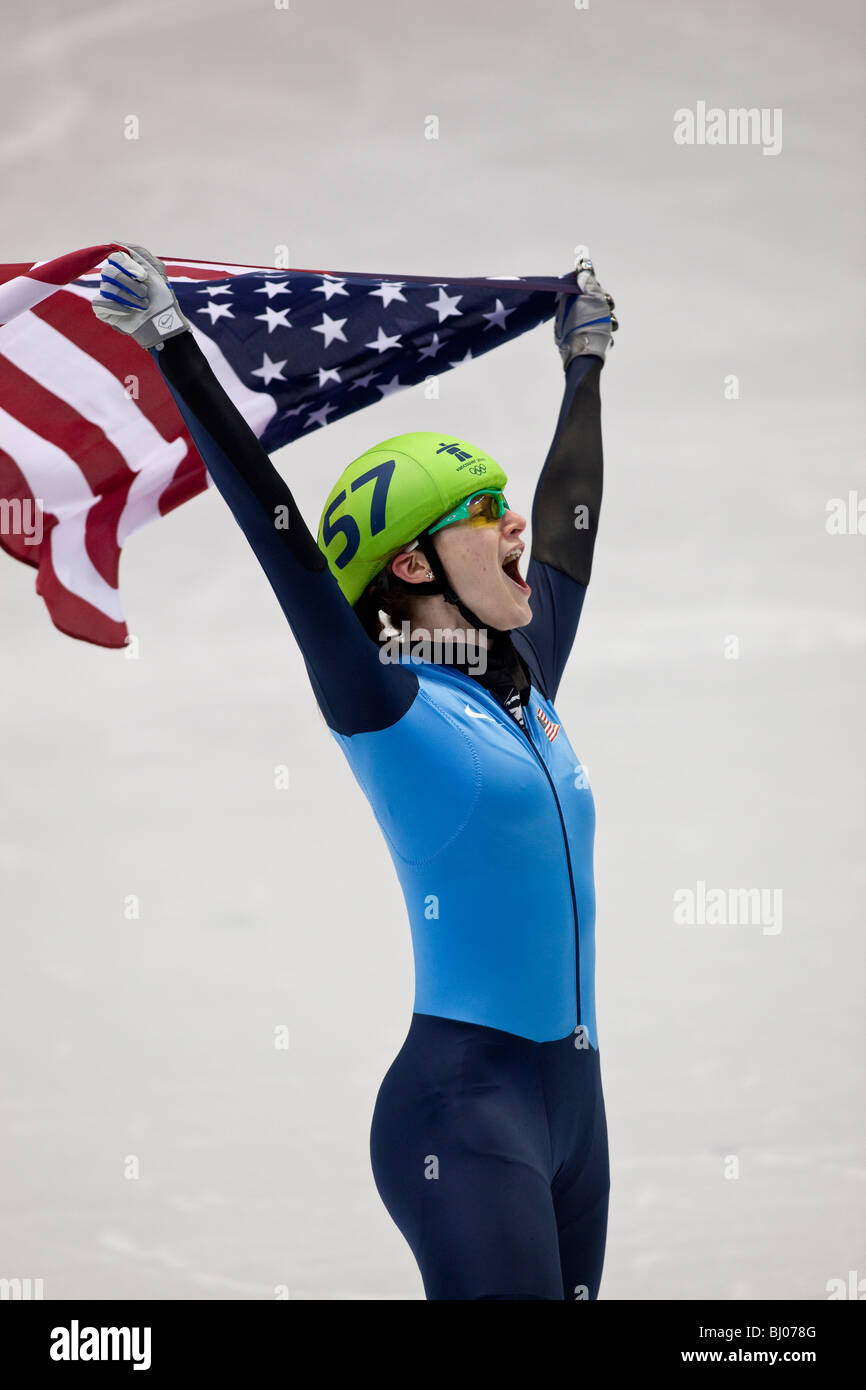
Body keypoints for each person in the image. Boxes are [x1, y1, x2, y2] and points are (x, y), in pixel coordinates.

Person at [92, 242, 617, 1300]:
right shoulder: (392, 706)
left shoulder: (516, 675)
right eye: (481, 509)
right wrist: (173, 352)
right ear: (413, 563)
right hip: (460, 1116)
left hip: (572, 1111)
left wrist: (584, 366)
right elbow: (279, 540)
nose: (514, 521)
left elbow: (568, 527)